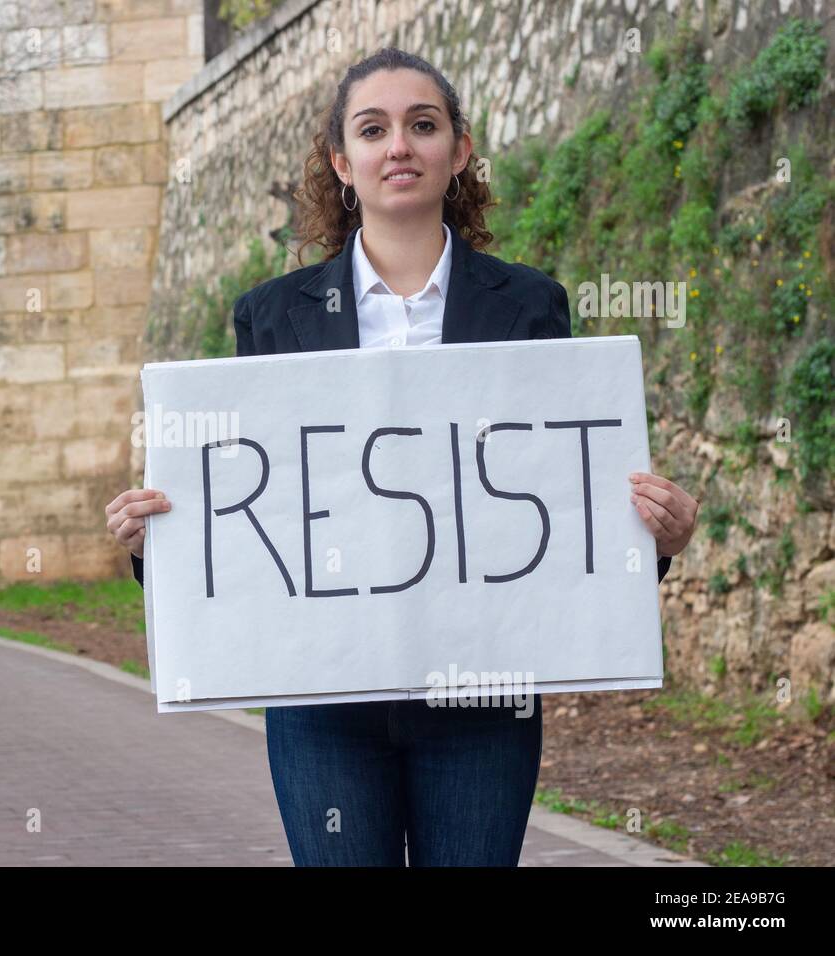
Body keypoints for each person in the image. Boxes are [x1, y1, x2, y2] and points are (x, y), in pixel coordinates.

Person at [104, 47, 699, 866]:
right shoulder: (273, 318)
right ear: (343, 164)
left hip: (483, 696)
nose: (400, 147)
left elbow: (562, 509)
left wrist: (654, 542)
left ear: (458, 151)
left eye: (424, 125)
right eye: (374, 129)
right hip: (321, 700)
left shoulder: (529, 306)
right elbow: (255, 506)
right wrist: (156, 547)